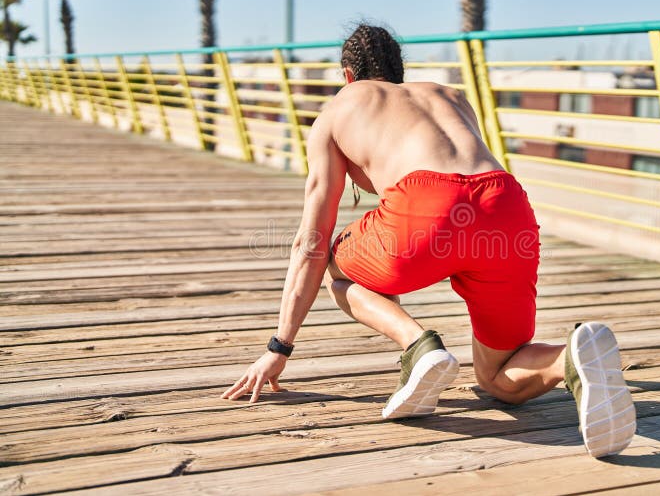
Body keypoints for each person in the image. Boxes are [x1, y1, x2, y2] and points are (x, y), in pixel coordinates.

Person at [222, 25, 636, 457]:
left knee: (335, 264)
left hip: (427, 207)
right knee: (499, 378)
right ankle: (570, 357)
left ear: (347, 75)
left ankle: (419, 348)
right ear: (399, 72)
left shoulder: (341, 107)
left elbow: (311, 243)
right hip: (505, 206)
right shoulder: (449, 96)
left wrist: (279, 347)